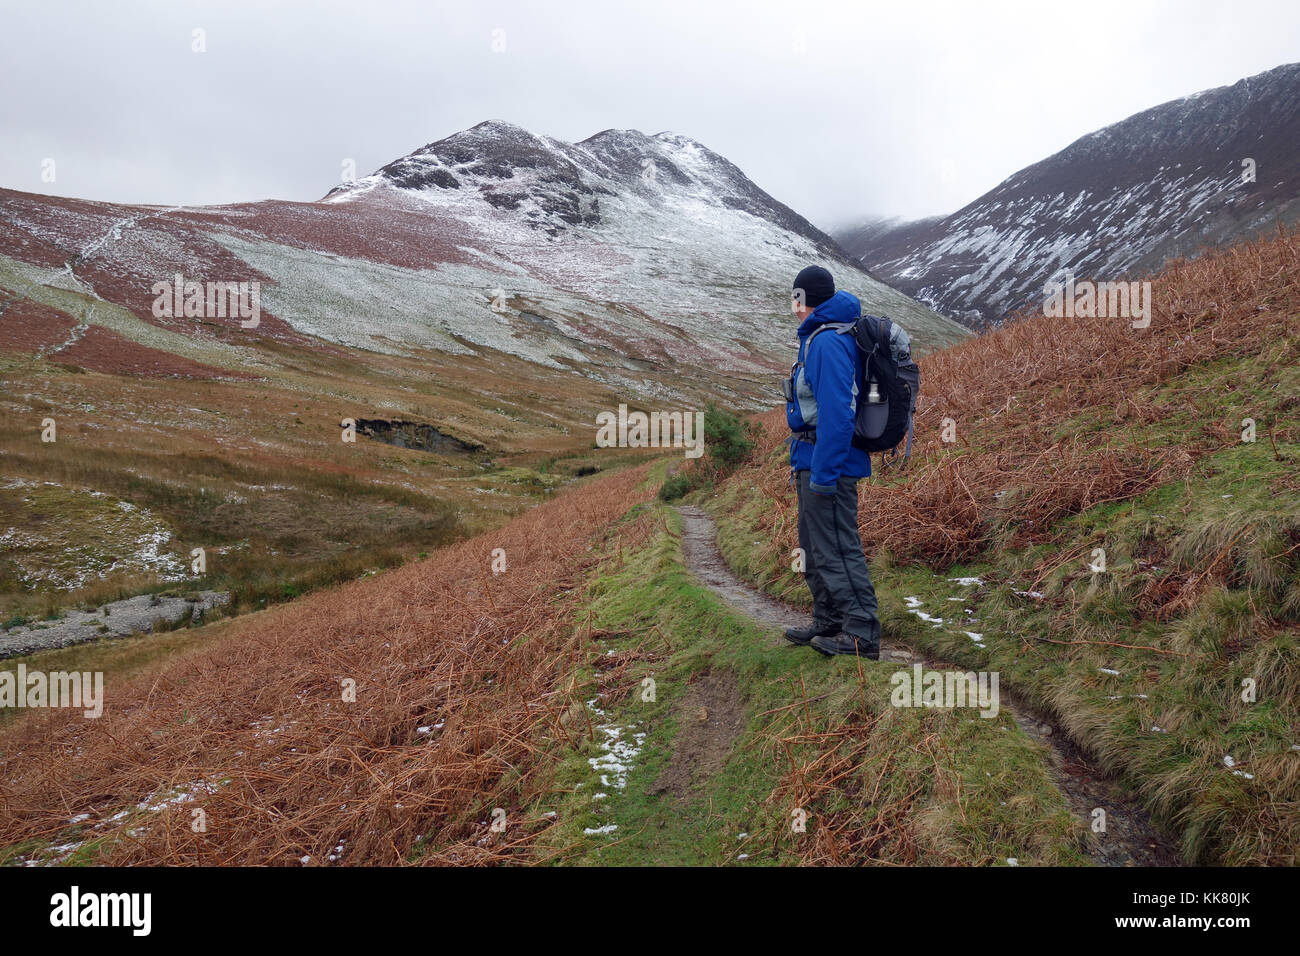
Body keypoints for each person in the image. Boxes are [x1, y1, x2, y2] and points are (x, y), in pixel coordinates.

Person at [783, 265, 881, 659]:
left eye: (795, 297)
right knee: (814, 546)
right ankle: (828, 620)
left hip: (830, 467)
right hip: (811, 460)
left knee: (838, 547)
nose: (792, 305)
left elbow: (838, 414)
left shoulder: (827, 342)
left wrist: (823, 473)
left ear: (806, 299)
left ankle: (862, 634)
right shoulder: (819, 338)